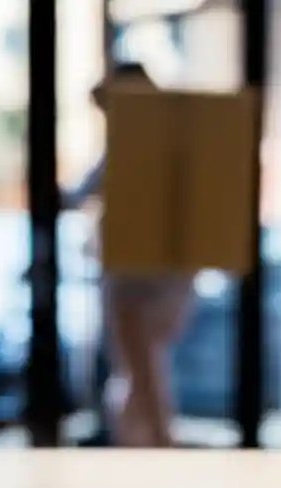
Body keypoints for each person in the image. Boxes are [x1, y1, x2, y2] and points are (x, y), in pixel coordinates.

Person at [64, 63, 195, 447]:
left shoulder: (146, 148)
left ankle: (157, 445)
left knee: (141, 373)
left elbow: (81, 194)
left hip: (146, 277)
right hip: (149, 274)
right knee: (141, 373)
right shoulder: (154, 145)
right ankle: (149, 444)